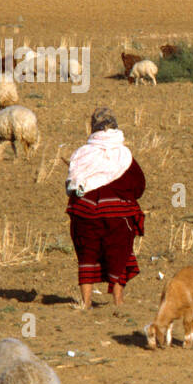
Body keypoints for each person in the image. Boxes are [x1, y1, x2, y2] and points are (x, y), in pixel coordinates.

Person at [66, 107, 145, 308]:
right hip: (118, 217)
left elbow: (71, 185)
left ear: (93, 127)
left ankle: (86, 302)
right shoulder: (124, 156)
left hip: (85, 215)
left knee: (87, 254)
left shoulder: (82, 154)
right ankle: (118, 301)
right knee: (118, 255)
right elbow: (139, 185)